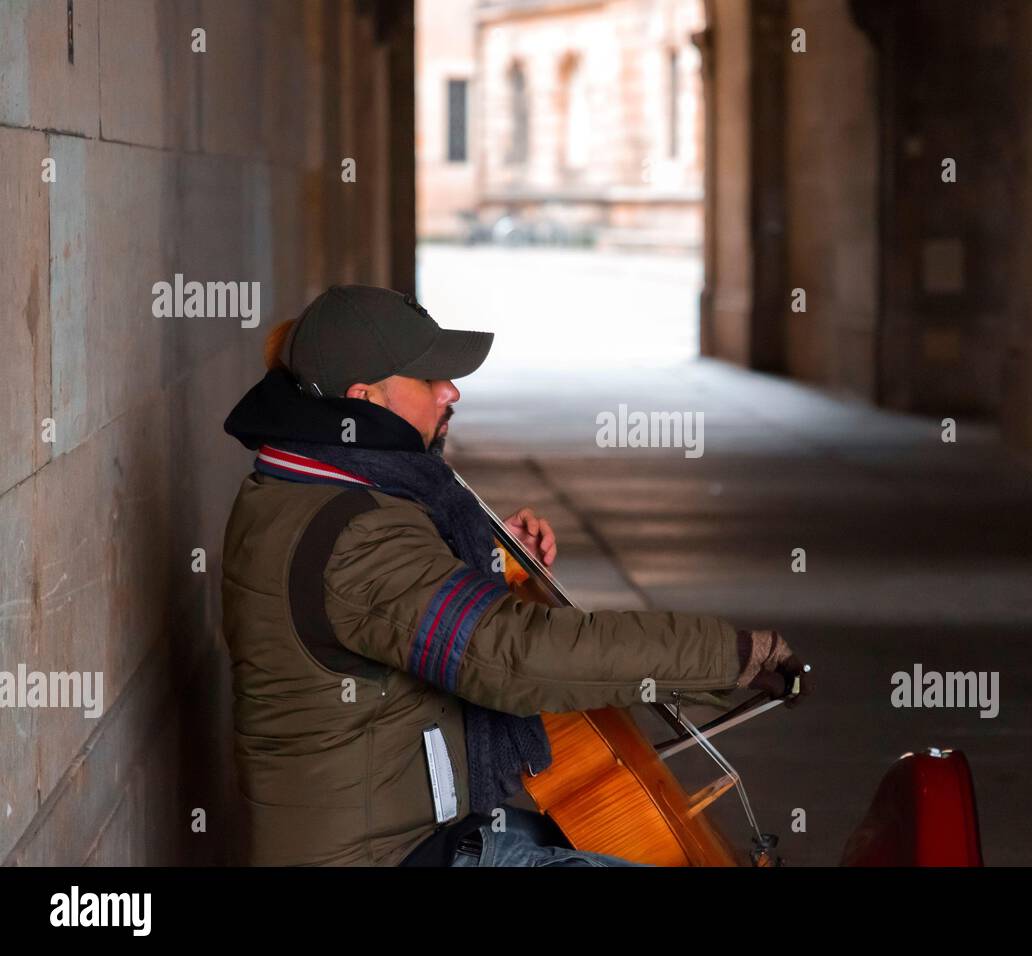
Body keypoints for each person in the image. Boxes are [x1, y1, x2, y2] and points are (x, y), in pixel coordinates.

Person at [220, 284, 811, 866]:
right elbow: (516, 656)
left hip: (415, 836)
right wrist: (724, 653)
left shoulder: (310, 485)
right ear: (365, 400)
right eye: (430, 379)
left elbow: (400, 606)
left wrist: (482, 561)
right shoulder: (354, 533)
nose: (451, 391)